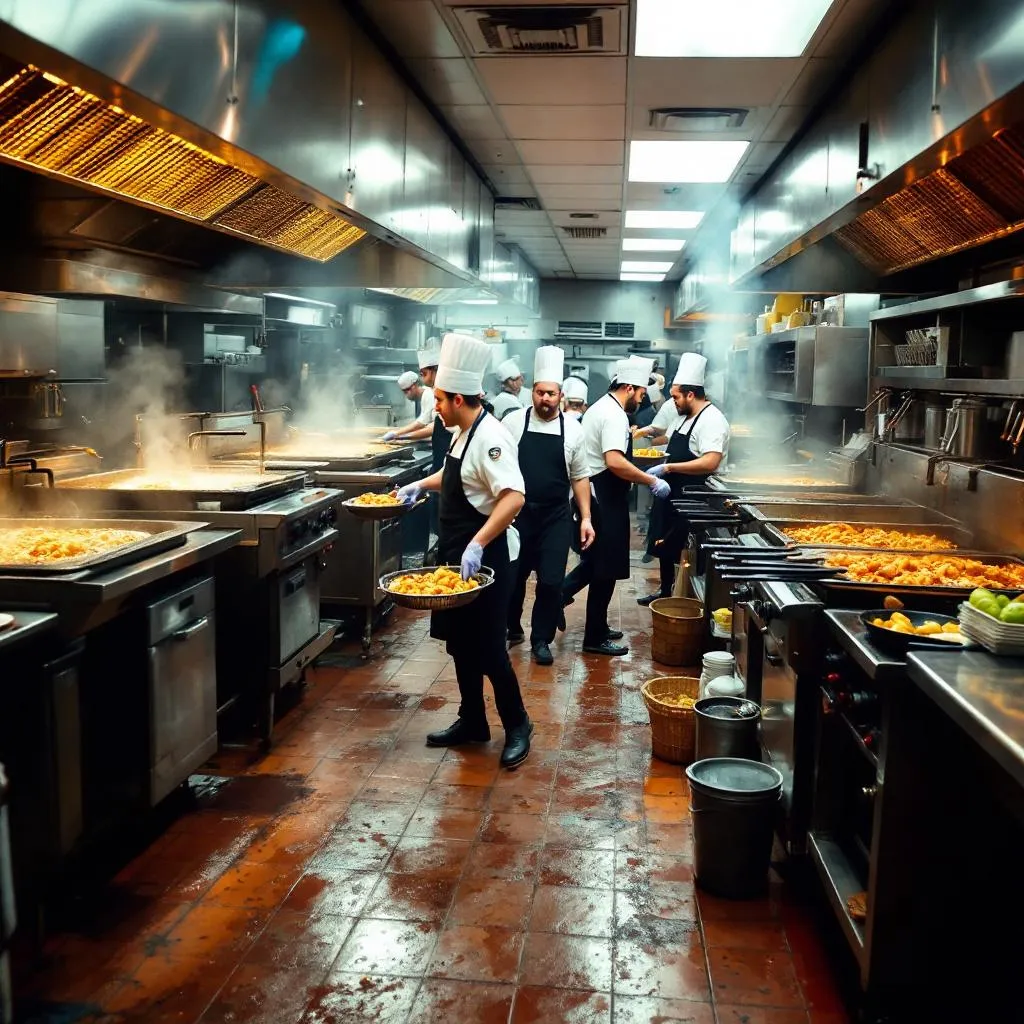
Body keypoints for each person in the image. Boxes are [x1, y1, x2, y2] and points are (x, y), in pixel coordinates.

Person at [394, 333, 533, 769]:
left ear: (458, 398)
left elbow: (513, 497)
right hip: (457, 556)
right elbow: (455, 476)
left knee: (489, 648)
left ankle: (518, 724)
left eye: (439, 399)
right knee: (460, 644)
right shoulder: (463, 432)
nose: (434, 406)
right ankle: (473, 719)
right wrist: (420, 484)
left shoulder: (491, 436)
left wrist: (477, 543)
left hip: (487, 560)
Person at [560, 355, 670, 656]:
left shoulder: (604, 407)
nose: (643, 397)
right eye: (641, 392)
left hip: (602, 494)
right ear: (630, 387)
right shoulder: (614, 414)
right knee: (603, 569)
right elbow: (615, 462)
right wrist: (650, 480)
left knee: (599, 566)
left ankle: (591, 620)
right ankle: (593, 637)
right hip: (604, 498)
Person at [503, 347, 595, 666]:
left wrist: (586, 518)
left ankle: (541, 639)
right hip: (518, 514)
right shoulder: (513, 422)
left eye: (551, 393)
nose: (545, 399)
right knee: (513, 577)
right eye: (540, 392)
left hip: (556, 516)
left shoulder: (574, 430)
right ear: (532, 392)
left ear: (561, 396)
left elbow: (580, 477)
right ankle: (511, 626)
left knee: (552, 580)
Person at [637, 352, 731, 605]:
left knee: (685, 550)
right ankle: (665, 592)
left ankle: (685, 599)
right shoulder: (683, 417)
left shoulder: (712, 420)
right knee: (664, 543)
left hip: (694, 496)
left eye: (676, 397)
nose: (673, 402)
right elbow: (670, 441)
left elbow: (710, 461)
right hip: (673, 493)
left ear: (691, 394)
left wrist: (669, 468)